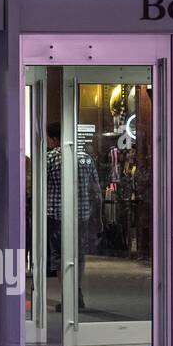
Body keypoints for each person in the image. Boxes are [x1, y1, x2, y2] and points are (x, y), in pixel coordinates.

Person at [46, 122, 101, 311]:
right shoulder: (85, 158)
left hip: (57, 216)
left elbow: (40, 189)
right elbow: (96, 191)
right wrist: (99, 216)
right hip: (82, 216)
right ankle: (77, 291)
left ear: (54, 138)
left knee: (59, 256)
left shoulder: (50, 159)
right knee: (79, 254)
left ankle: (67, 295)